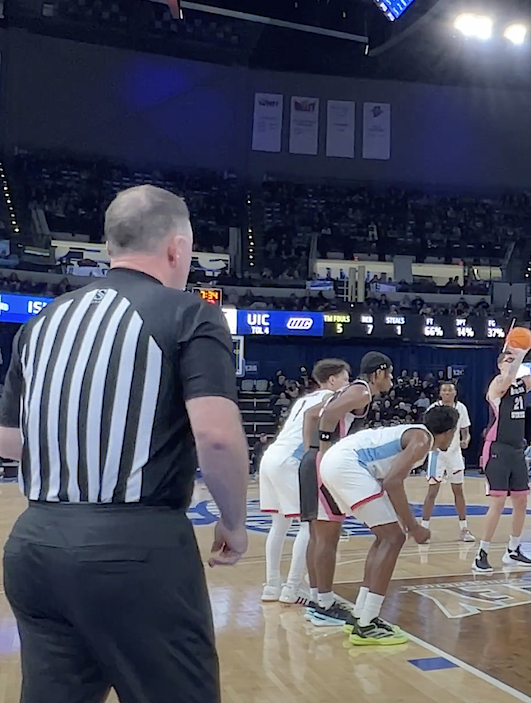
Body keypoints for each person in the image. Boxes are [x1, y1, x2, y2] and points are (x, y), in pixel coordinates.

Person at [0, 185, 249, 703]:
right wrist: (233, 522)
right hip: (136, 550)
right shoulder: (189, 314)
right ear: (178, 248)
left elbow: (8, 438)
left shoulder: (40, 322)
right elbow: (217, 438)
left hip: (36, 545)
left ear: (110, 244)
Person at [319, 405, 460, 644]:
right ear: (449, 432)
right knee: (394, 538)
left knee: (386, 536)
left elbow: (388, 480)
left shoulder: (413, 434)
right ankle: (367, 624)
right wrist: (414, 527)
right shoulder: (422, 439)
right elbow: (393, 482)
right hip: (347, 464)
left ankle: (362, 614)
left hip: (335, 462)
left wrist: (403, 519)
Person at [300, 351, 395, 627]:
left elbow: (310, 415)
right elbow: (327, 414)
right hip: (324, 463)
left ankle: (319, 600)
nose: (391, 379)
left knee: (318, 535)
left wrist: (312, 452)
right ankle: (325, 604)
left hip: (314, 461)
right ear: (378, 373)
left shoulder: (349, 390)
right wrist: (327, 451)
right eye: (389, 373)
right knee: (327, 536)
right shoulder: (362, 392)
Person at [258, 358, 350, 604]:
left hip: (270, 457)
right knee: (309, 526)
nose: (347, 384)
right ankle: (292, 588)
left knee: (279, 525)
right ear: (332, 380)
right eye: (345, 378)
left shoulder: (303, 399)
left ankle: (271, 586)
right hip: (291, 460)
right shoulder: (329, 399)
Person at [473, 334, 531, 573]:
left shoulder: (522, 384)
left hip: (517, 449)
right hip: (497, 448)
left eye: (514, 358)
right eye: (507, 358)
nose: (512, 361)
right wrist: (517, 354)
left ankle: (513, 549)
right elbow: (508, 377)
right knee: (498, 502)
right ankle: (482, 552)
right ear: (500, 364)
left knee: (521, 501)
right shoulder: (496, 385)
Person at [419, 381, 475, 542]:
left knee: (458, 491)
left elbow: (465, 431)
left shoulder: (461, 408)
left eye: (450, 390)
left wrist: (466, 439)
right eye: (445, 390)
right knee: (432, 493)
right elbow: (426, 431)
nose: (448, 392)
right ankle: (424, 528)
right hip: (436, 454)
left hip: (454, 453)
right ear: (440, 393)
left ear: (455, 392)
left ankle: (464, 528)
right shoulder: (433, 409)